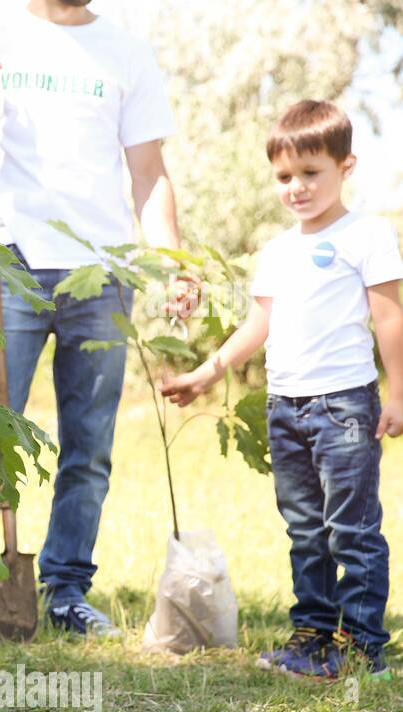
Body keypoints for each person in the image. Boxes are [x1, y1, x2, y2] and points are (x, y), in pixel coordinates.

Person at [0, 0, 198, 639]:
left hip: (103, 274)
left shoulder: (127, 52)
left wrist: (175, 261)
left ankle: (66, 592)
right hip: (8, 263)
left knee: (89, 446)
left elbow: (149, 175)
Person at [162, 101, 401, 680]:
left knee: (352, 528)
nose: (296, 187)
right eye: (284, 178)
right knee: (304, 528)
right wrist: (208, 371)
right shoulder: (278, 250)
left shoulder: (366, 234)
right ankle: (313, 638)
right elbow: (258, 325)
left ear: (346, 166)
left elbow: (389, 315)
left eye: (310, 173)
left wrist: (399, 392)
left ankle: (364, 645)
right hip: (284, 406)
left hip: (344, 404)